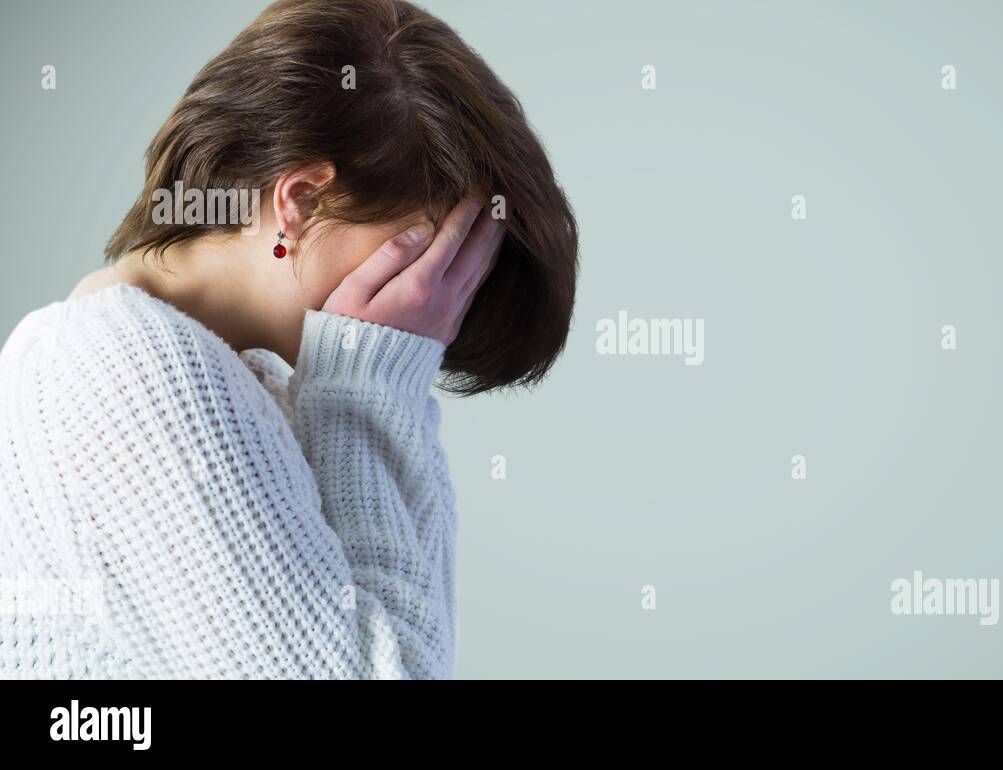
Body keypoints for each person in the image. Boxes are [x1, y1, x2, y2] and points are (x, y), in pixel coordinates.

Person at [0, 0, 578, 679]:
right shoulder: (126, 369)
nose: (429, 302)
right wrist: (369, 386)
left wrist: (376, 388)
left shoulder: (232, 380)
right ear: (301, 202)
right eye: (426, 256)